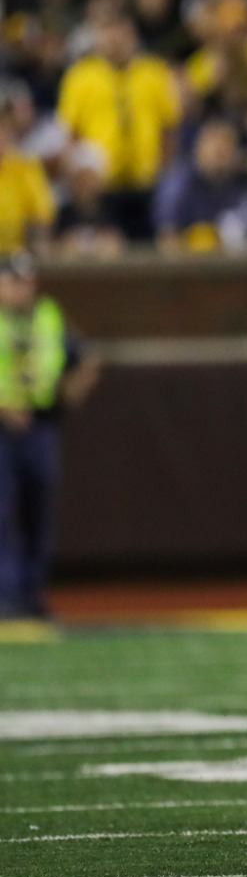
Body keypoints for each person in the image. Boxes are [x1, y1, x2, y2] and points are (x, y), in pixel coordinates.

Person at [0, 254, 100, 618]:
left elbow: (85, 359)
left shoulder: (48, 316)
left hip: (42, 425)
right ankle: (5, 597)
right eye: (11, 281)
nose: (18, 288)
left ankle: (31, 595)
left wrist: (71, 390)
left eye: (24, 281)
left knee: (37, 512)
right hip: (2, 430)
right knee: (2, 513)